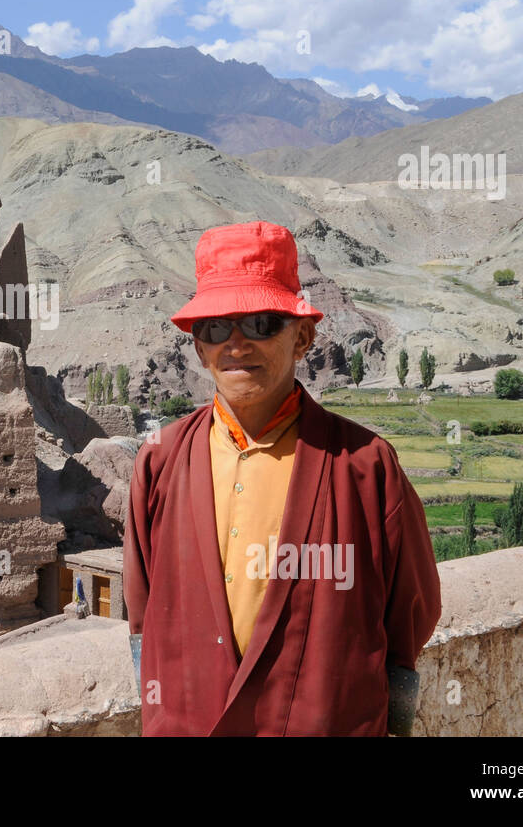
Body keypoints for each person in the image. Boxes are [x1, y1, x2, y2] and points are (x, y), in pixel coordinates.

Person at [123, 220, 442, 736]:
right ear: (199, 348)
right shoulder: (159, 463)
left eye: (261, 323)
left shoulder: (366, 467)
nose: (236, 344)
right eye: (215, 328)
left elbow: (409, 620)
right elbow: (142, 622)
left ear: (303, 337)